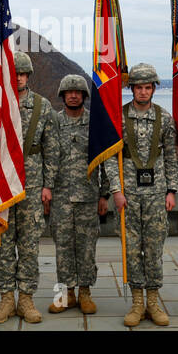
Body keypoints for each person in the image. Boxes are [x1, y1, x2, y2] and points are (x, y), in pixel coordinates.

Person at [106, 63, 178, 326]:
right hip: (128, 194)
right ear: (132, 89)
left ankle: (153, 301)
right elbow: (110, 158)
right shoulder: (118, 116)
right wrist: (116, 189)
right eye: (139, 87)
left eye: (148, 87)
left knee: (154, 248)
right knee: (131, 248)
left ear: (153, 89)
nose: (143, 92)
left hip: (156, 194)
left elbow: (172, 156)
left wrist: (172, 190)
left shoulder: (165, 118)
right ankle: (137, 302)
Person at [0, 51, 59, 325]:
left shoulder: (42, 107)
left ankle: (26, 299)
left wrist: (48, 186)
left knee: (29, 246)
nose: (18, 77)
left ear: (28, 75)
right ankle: (6, 299)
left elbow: (52, 150)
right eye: (13, 73)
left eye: (22, 73)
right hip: (3, 186)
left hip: (32, 186)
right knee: (4, 245)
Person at [50, 74, 105, 316]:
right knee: (62, 248)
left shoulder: (95, 123)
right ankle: (65, 293)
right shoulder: (53, 122)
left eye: (78, 92)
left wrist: (104, 195)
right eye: (69, 92)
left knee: (86, 247)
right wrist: (46, 189)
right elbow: (47, 158)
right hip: (61, 197)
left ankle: (84, 292)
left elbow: (104, 161)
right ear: (62, 95)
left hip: (88, 196)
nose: (73, 95)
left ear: (84, 95)